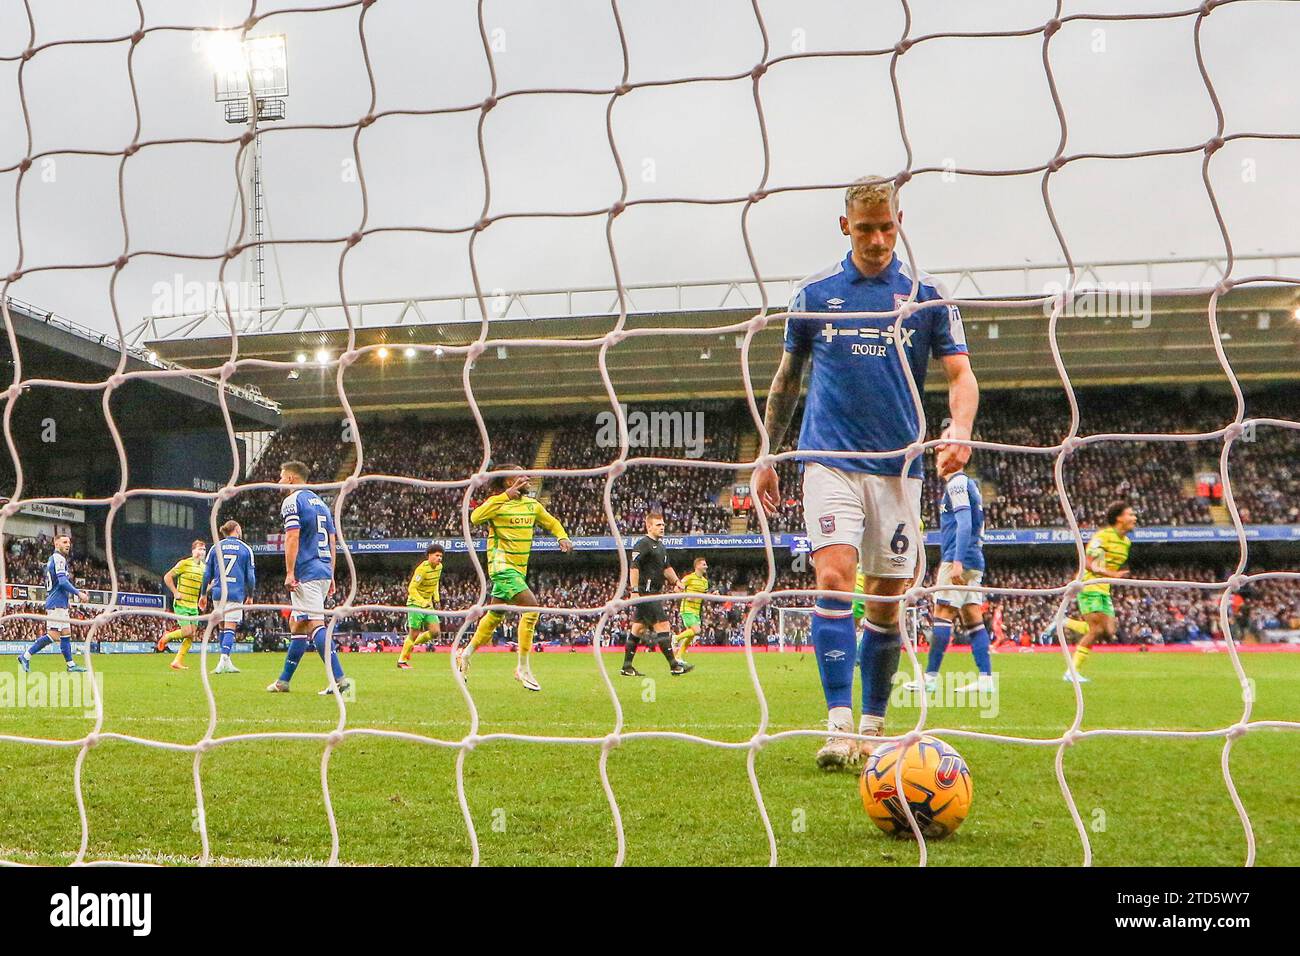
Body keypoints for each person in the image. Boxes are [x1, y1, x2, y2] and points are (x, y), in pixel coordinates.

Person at [753, 175, 978, 770]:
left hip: (899, 468)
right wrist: (766, 454)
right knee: (833, 577)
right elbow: (786, 381)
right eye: (866, 227)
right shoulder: (814, 295)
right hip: (827, 457)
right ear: (845, 226)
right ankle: (837, 725)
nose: (878, 239)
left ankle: (874, 728)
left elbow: (960, 375)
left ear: (899, 221)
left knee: (884, 603)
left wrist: (959, 429)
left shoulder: (926, 296)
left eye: (887, 226)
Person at [457, 466, 572, 692]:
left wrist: (562, 537)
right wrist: (503, 497)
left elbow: (551, 522)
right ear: (509, 482)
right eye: (520, 475)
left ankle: (465, 654)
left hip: (518, 570)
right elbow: (475, 517)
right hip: (501, 567)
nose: (526, 478)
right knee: (532, 608)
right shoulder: (498, 503)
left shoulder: (532, 505)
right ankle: (522, 667)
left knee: (494, 616)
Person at [904, 460, 991, 693]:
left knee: (943, 613)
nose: (937, 457)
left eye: (942, 451)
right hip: (974, 557)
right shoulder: (968, 484)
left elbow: (964, 523)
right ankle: (986, 678)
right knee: (972, 615)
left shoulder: (957, 483)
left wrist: (957, 561)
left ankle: (930, 677)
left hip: (958, 557)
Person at [266, 461, 350, 696]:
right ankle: (283, 681)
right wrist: (331, 573)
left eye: (281, 477)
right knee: (298, 624)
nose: (279, 481)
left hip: (306, 571)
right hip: (323, 569)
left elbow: (292, 537)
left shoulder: (293, 501)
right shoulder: (321, 503)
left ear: (292, 478)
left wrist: (290, 572)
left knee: (314, 623)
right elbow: (332, 541)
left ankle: (340, 680)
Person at [1067, 501, 1137, 683]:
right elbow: (1089, 562)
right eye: (1130, 514)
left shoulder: (1126, 543)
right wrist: (1111, 574)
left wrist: (1112, 576)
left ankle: (1064, 622)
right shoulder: (1103, 536)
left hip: (1104, 588)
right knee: (1096, 629)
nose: (1134, 518)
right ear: (1119, 518)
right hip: (1090, 584)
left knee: (1109, 632)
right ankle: (1071, 672)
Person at [621, 511, 693, 677]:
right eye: (659, 525)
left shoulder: (661, 546)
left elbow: (666, 568)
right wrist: (634, 591)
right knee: (663, 626)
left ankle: (626, 666)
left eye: (663, 525)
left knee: (638, 629)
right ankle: (674, 665)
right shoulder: (642, 544)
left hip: (654, 592)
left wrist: (677, 582)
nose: (662, 528)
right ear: (649, 526)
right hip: (646, 593)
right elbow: (634, 567)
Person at [17, 533, 87, 674]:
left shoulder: (52, 559)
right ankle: (25, 656)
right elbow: (62, 581)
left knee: (66, 632)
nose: (68, 544)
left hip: (59, 602)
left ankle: (71, 665)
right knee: (54, 635)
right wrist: (78, 593)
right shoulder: (58, 558)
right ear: (56, 544)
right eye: (64, 542)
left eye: (69, 542)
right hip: (56, 603)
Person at [199, 520, 256, 675]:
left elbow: (207, 574)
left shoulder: (216, 547)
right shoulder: (245, 549)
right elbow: (250, 577)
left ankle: (225, 660)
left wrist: (203, 593)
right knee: (230, 627)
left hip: (218, 592)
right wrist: (250, 595)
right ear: (236, 529)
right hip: (235, 592)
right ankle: (223, 660)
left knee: (222, 626)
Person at [157, 539, 207, 670]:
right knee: (186, 632)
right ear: (193, 550)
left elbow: (204, 586)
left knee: (192, 635)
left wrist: (204, 595)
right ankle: (167, 636)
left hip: (193, 605)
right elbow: (167, 577)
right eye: (199, 549)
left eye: (204, 549)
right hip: (181, 603)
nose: (202, 551)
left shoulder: (204, 568)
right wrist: (175, 592)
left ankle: (177, 661)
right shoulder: (184, 563)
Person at [398, 544, 443, 669]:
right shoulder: (422, 569)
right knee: (414, 633)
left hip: (428, 604)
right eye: (437, 555)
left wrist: (436, 597)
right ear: (429, 555)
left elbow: (435, 582)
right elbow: (411, 588)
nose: (439, 558)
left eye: (441, 556)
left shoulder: (439, 567)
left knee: (435, 632)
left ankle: (411, 644)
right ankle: (402, 661)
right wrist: (421, 601)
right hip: (415, 604)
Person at [671, 556, 709, 661]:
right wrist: (686, 596)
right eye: (704, 564)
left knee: (691, 635)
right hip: (687, 609)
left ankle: (678, 657)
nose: (706, 566)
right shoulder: (689, 578)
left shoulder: (705, 582)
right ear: (697, 566)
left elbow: (704, 596)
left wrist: (712, 594)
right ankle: (676, 638)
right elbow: (676, 589)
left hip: (697, 611)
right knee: (696, 630)